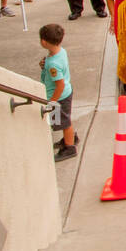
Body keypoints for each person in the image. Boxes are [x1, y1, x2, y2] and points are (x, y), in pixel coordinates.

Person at [40, 23, 78, 161]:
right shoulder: (60, 52)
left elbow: (59, 85)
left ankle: (69, 147)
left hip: (58, 97)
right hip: (63, 94)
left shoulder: (53, 64)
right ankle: (70, 138)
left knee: (64, 122)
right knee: (61, 121)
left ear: (43, 41)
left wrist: (52, 102)